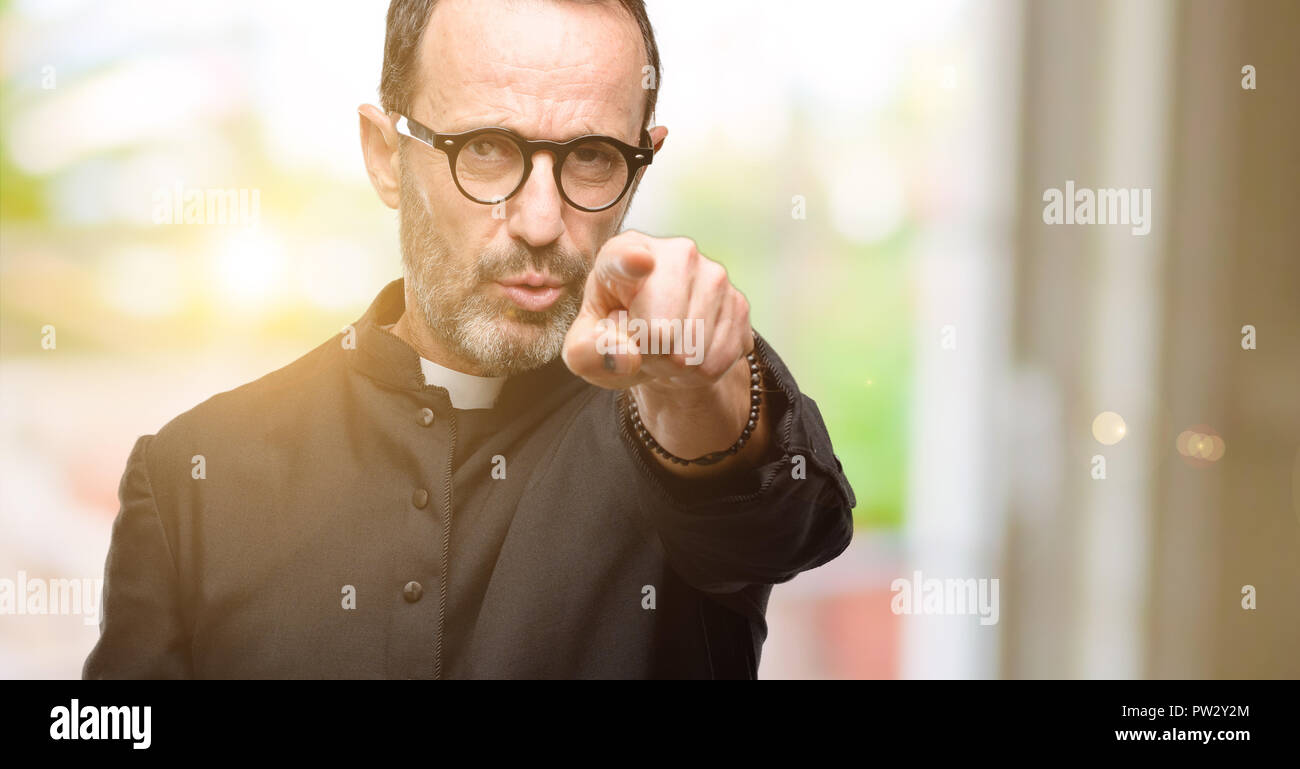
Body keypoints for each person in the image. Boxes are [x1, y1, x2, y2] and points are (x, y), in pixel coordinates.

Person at [83, 0, 856, 679]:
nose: (541, 222)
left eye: (592, 157)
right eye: (485, 148)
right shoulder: (192, 479)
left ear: (641, 161)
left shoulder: (675, 408)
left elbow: (781, 519)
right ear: (384, 155)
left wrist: (700, 390)